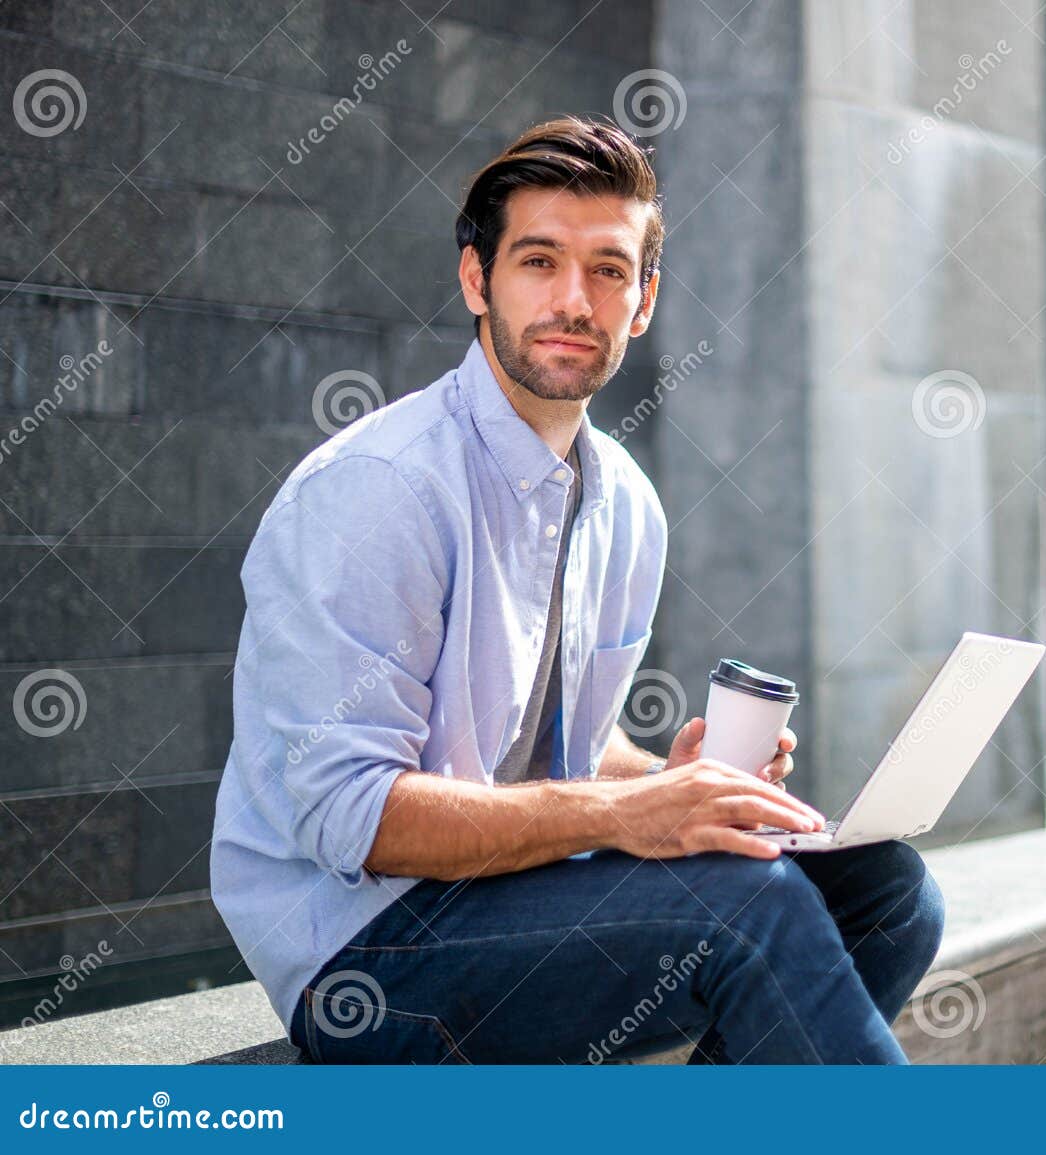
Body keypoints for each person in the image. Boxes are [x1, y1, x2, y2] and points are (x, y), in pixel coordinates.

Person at [208, 115, 944, 1064]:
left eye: (607, 269)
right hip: (366, 954)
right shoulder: (378, 489)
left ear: (643, 301)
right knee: (748, 906)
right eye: (539, 261)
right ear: (477, 280)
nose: (572, 299)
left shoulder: (626, 502)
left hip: (516, 895)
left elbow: (564, 748)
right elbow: (347, 813)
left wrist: (671, 782)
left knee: (890, 892)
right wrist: (626, 816)